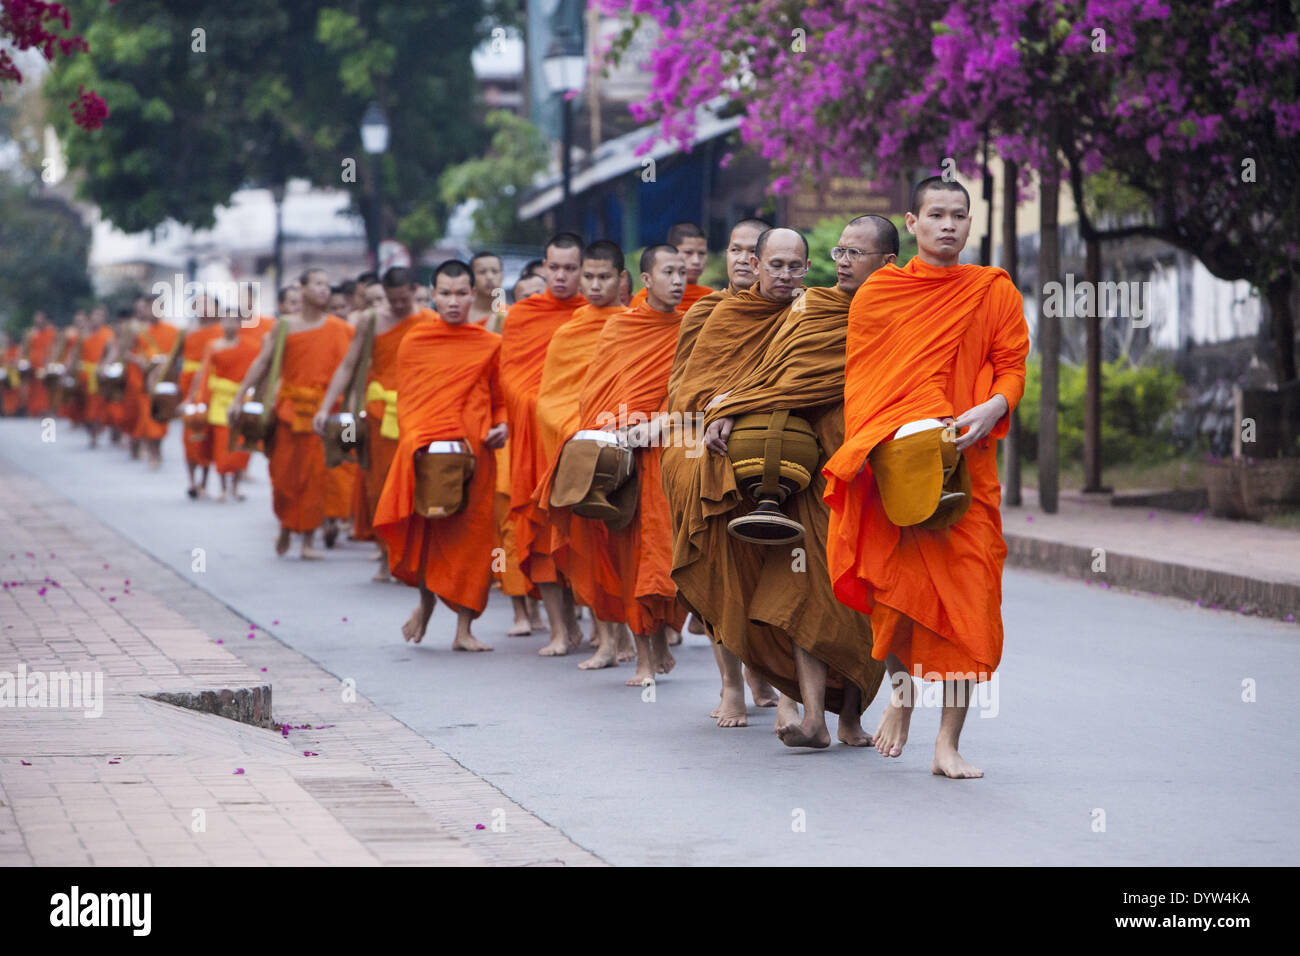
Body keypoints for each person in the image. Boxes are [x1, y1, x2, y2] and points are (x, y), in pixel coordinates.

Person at [824, 178, 1029, 779]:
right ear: (912, 222)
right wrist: (899, 436)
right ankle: (903, 697)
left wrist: (994, 406)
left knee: (971, 600)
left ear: (970, 224)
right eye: (936, 214)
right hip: (900, 471)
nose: (948, 225)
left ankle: (948, 745)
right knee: (896, 596)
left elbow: (1012, 367)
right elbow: (862, 389)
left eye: (959, 216)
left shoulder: (992, 290)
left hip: (968, 471)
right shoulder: (879, 293)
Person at [686, 217, 898, 745]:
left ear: (886, 263)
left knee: (855, 592)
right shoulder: (812, 307)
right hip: (812, 470)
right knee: (803, 587)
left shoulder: (897, 313)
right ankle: (812, 719)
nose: (843, 260)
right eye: (840, 250)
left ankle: (850, 714)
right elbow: (779, 377)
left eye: (856, 252)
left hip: (865, 465)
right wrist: (734, 408)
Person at [535, 244, 688, 684]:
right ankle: (642, 657)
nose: (678, 280)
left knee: (663, 553)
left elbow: (694, 391)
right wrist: (620, 429)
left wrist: (662, 422)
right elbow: (596, 395)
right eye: (669, 272)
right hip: (625, 455)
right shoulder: (621, 329)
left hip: (670, 451)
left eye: (682, 272)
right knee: (631, 554)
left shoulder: (692, 326)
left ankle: (660, 641)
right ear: (645, 280)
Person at [372, 259, 508, 650]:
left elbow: (499, 399)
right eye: (445, 293)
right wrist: (423, 441)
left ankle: (464, 629)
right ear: (431, 295)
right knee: (428, 532)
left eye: (461, 293)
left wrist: (501, 426)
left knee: (475, 535)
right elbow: (410, 402)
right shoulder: (415, 341)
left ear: (473, 294)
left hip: (477, 451)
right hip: (429, 452)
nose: (453, 301)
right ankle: (425, 606)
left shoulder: (489, 343)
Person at [524, 240, 633, 662]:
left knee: (623, 545)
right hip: (581, 451)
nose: (594, 284)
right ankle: (606, 639)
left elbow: (643, 389)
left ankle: (626, 636)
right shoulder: (568, 332)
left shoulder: (631, 326)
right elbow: (550, 399)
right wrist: (579, 429)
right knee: (592, 543)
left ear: (622, 280)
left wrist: (619, 426)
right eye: (588, 276)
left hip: (624, 449)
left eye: (604, 277)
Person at [499, 233, 589, 654]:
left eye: (571, 268)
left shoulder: (597, 316)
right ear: (543, 267)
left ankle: (599, 628)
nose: (561, 276)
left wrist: (570, 413)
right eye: (554, 267)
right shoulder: (522, 315)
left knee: (587, 531)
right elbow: (511, 379)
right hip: (537, 440)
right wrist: (547, 406)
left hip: (579, 439)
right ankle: (558, 629)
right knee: (540, 533)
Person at [232, 268, 354, 559]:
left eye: (327, 284)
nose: (325, 289)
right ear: (302, 289)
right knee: (283, 476)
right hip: (287, 411)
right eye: (318, 284)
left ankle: (308, 541)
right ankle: (286, 526)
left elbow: (348, 371)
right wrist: (240, 395)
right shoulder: (284, 325)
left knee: (317, 478)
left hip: (323, 415)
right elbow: (263, 362)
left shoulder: (339, 328)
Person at [315, 267, 427, 581]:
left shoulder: (429, 321)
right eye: (393, 300)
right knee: (379, 487)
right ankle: (385, 556)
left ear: (414, 290)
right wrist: (326, 408)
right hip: (378, 415)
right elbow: (349, 365)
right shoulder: (372, 320)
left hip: (417, 413)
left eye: (404, 299)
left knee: (417, 486)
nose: (399, 306)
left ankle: (414, 557)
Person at [191, 310, 261, 501]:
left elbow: (256, 373)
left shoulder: (251, 347)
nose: (229, 325)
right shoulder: (213, 346)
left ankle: (236, 487)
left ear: (240, 324)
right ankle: (222, 488)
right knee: (222, 445)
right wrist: (199, 398)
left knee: (238, 446)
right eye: (225, 321)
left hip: (241, 400)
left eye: (233, 321)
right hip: (219, 401)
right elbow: (205, 373)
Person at [178, 297, 223, 496]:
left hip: (210, 386)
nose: (204, 308)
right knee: (189, 435)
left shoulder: (222, 333)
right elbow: (173, 358)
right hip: (188, 385)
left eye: (209, 304)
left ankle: (204, 481)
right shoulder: (187, 331)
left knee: (206, 435)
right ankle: (191, 480)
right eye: (200, 304)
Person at [129, 293, 178, 468]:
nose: (153, 311)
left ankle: (157, 449)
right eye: (149, 307)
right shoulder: (141, 334)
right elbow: (132, 355)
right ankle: (153, 454)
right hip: (146, 382)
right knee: (149, 420)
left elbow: (179, 356)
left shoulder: (174, 332)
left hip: (166, 383)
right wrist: (142, 362)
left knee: (162, 421)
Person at [631, 222, 713, 312]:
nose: (696, 261)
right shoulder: (644, 299)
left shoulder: (712, 299)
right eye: (688, 252)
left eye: (702, 253)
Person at [78, 305, 116, 449]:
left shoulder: (107, 334)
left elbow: (113, 351)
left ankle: (95, 434)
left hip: (98, 376)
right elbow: (75, 354)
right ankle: (91, 431)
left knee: (96, 407)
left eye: (100, 316)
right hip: (83, 375)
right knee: (81, 407)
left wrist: (104, 365)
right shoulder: (84, 334)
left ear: (104, 319)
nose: (97, 319)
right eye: (95, 315)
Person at [22, 311, 57, 418]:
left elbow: (54, 347)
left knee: (45, 389)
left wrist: (50, 362)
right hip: (32, 366)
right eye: (36, 319)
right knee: (33, 389)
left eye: (40, 319)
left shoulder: (51, 331)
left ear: (45, 319)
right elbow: (25, 349)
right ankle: (33, 411)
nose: (37, 322)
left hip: (45, 365)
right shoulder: (30, 333)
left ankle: (45, 410)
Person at [468, 253, 507, 331]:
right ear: (470, 277)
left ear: (502, 276)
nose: (490, 277)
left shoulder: (510, 315)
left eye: (495, 271)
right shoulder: (460, 314)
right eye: (482, 272)